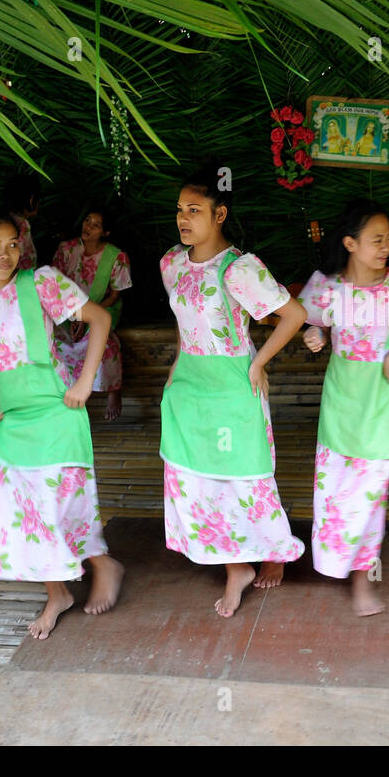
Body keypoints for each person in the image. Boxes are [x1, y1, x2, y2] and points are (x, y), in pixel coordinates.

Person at [0, 209, 124, 639]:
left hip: (55, 405)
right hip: (10, 414)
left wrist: (85, 381)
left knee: (60, 502)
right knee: (16, 508)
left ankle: (104, 564)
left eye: (13, 244)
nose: (6, 254)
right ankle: (58, 592)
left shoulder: (42, 282)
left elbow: (100, 319)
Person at [160, 168, 306, 617]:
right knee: (191, 478)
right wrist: (172, 374)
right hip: (188, 384)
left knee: (245, 476)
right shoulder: (171, 263)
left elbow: (294, 315)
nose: (184, 218)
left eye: (195, 210)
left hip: (232, 383)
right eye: (181, 209)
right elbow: (186, 328)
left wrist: (258, 362)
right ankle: (236, 566)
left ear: (219, 214)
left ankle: (273, 551)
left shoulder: (239, 268)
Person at [301, 200, 389, 615]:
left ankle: (362, 580)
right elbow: (312, 323)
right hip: (341, 402)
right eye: (375, 239)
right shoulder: (328, 287)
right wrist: (316, 335)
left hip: (382, 403)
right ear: (350, 243)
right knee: (333, 490)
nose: (386, 246)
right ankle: (338, 565)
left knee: (369, 494)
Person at [52, 208, 131, 422]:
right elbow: (54, 288)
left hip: (101, 308)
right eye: (87, 220)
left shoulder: (116, 256)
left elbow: (114, 295)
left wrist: (87, 315)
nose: (88, 226)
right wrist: (74, 316)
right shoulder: (66, 250)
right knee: (56, 344)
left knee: (107, 345)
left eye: (96, 225)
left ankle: (114, 391)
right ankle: (63, 396)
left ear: (105, 232)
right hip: (67, 311)